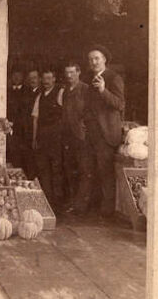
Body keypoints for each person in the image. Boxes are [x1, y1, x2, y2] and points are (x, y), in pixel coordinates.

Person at [83, 46, 125, 217]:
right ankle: (95, 209)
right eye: (91, 59)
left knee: (106, 172)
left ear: (104, 60)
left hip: (106, 133)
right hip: (92, 133)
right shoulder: (89, 78)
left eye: (97, 58)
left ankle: (107, 213)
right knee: (91, 171)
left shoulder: (113, 77)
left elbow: (120, 104)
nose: (93, 62)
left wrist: (103, 90)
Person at [59, 62, 92, 213]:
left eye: (72, 72)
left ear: (79, 72)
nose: (69, 75)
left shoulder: (85, 89)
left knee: (84, 170)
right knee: (70, 169)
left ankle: (81, 205)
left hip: (81, 137)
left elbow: (90, 111)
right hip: (68, 136)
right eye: (67, 73)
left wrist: (84, 126)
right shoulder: (66, 90)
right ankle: (73, 202)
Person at [31, 69, 64, 207]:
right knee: (43, 168)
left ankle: (57, 202)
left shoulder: (60, 92)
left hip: (56, 138)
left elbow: (65, 115)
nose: (46, 82)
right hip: (42, 138)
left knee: (57, 169)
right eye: (44, 79)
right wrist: (34, 138)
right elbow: (35, 119)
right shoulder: (39, 96)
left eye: (49, 78)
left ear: (54, 79)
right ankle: (46, 200)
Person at [20, 70, 43, 179]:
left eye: (34, 77)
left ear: (39, 79)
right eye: (30, 78)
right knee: (27, 159)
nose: (32, 80)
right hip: (25, 131)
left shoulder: (42, 92)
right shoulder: (25, 92)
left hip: (37, 130)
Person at [6, 69, 26, 167]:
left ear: (23, 77)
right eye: (14, 75)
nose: (17, 77)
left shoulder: (27, 91)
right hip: (9, 126)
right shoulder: (7, 91)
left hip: (22, 128)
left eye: (19, 75)